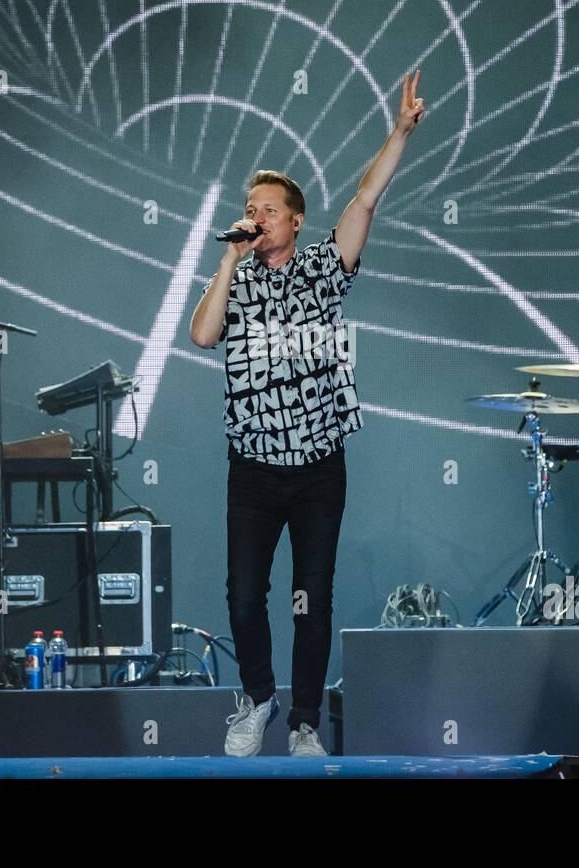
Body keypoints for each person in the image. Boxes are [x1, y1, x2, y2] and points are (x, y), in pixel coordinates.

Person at [190, 72, 427, 756]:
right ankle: (259, 700)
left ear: (295, 219)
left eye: (268, 209)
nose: (256, 216)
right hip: (254, 468)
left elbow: (365, 198)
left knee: (310, 601)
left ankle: (302, 724)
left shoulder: (324, 268)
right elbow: (204, 336)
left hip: (319, 464)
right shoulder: (238, 278)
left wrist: (401, 130)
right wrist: (230, 261)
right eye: (250, 207)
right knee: (242, 597)